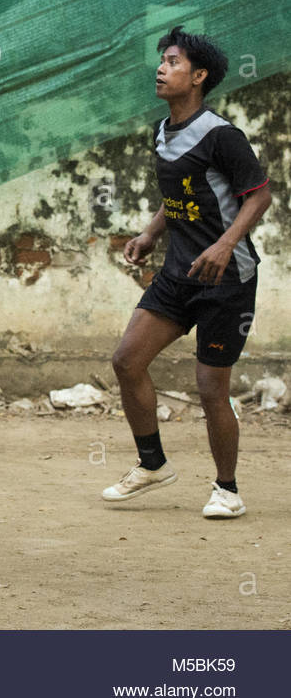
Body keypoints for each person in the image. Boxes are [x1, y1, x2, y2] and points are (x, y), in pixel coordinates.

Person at [102, 26, 271, 519]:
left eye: (172, 61)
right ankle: (152, 465)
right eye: (161, 60)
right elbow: (178, 196)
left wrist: (224, 243)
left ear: (198, 76)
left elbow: (258, 195)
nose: (161, 68)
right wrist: (152, 232)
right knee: (127, 360)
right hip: (179, 274)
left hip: (227, 278)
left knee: (209, 388)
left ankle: (227, 490)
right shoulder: (163, 130)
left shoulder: (222, 134)